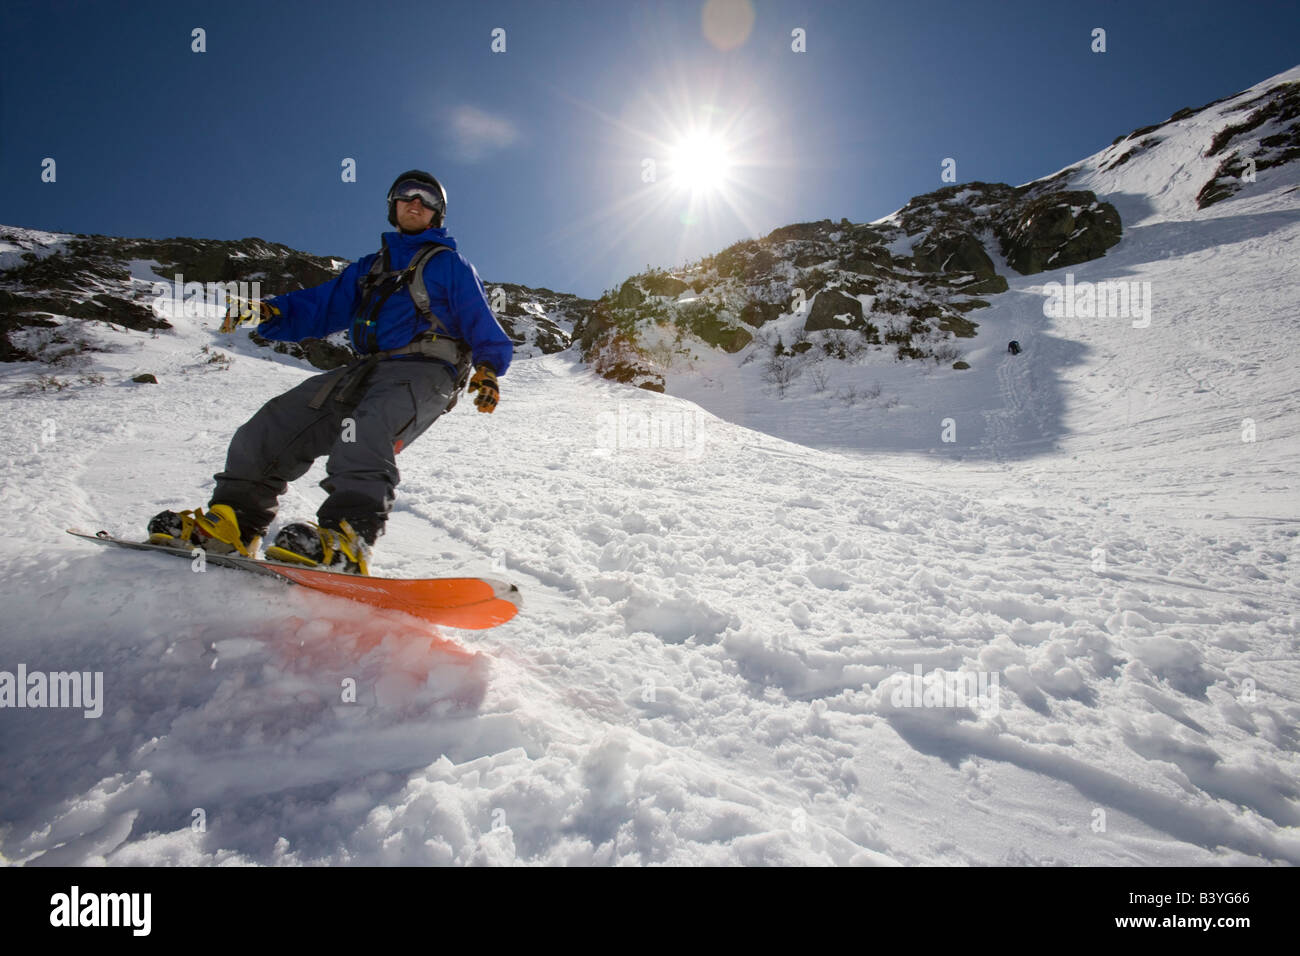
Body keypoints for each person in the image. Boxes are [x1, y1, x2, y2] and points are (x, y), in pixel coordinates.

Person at [147, 169, 513, 574]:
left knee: (366, 428)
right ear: (392, 204)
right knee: (278, 420)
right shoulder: (369, 269)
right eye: (406, 194)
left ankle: (346, 540)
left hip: (426, 370)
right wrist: (272, 310)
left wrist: (489, 368)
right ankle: (233, 523)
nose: (416, 203)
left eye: (428, 199)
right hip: (367, 368)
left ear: (437, 215)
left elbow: (479, 317)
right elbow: (323, 305)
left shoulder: (449, 265)